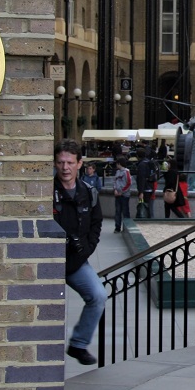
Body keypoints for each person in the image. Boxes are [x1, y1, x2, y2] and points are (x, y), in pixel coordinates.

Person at [54, 140, 105, 366]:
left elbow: (96, 223)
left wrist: (87, 249)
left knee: (98, 295)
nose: (65, 167)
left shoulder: (88, 192)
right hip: (48, 261)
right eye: (61, 162)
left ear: (79, 164)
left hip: (76, 261)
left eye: (70, 162)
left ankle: (79, 344)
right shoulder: (45, 191)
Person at [112, 157, 134, 232]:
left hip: (124, 195)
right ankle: (117, 227)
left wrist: (122, 191)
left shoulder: (126, 172)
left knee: (125, 212)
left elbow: (129, 183)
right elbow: (114, 181)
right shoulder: (117, 172)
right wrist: (115, 189)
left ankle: (126, 228)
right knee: (118, 211)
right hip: (118, 193)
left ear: (119, 164)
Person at [134, 149, 156, 220]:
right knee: (148, 205)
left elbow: (141, 179)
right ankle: (148, 219)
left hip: (144, 190)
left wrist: (141, 192)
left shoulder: (141, 165)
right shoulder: (148, 162)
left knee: (143, 205)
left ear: (137, 156)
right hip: (150, 187)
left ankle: (144, 218)